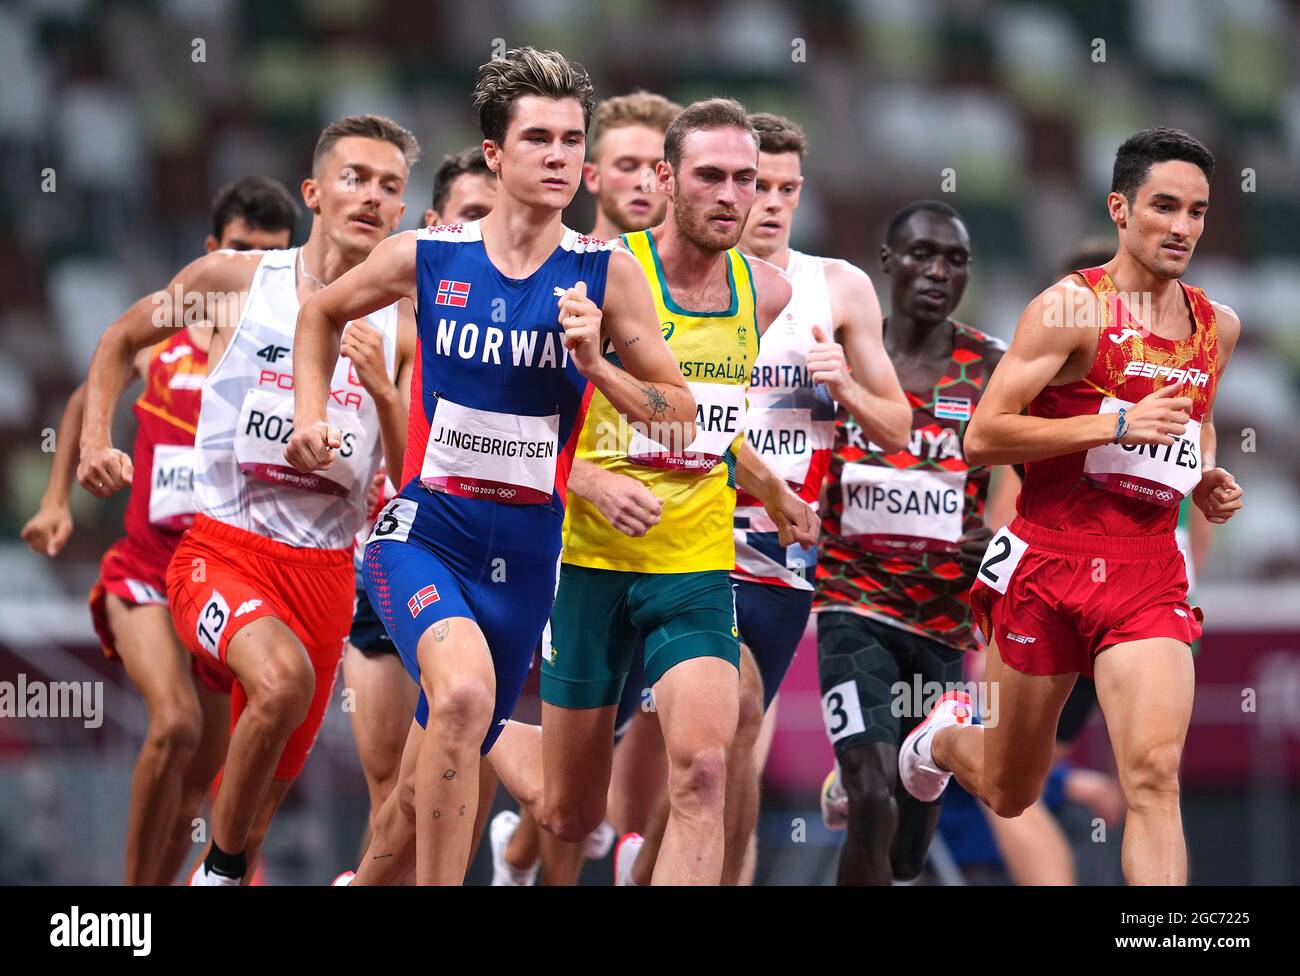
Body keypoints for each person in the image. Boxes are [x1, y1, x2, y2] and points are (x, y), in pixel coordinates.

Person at [295, 47, 694, 886]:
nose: (559, 157)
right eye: (539, 138)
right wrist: (309, 417)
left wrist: (598, 367)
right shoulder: (429, 256)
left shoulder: (604, 275)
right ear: (494, 154)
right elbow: (323, 312)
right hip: (424, 532)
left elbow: (679, 414)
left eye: (571, 140)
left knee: (436, 757)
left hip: (525, 557)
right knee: (467, 699)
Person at [78, 114, 421, 885]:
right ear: (315, 192)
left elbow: (412, 479)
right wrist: (98, 440)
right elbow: (120, 341)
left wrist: (384, 401)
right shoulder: (235, 283)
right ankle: (199, 880)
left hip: (329, 574)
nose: (370, 196)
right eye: (355, 178)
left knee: (253, 809)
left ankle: (218, 872)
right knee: (282, 681)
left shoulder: (406, 323)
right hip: (223, 549)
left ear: (402, 211)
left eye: (389, 186)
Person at [902, 127, 1244, 886]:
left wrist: (1206, 478)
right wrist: (1117, 421)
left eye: (1198, 211)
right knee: (1009, 788)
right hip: (1049, 562)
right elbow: (983, 436)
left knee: (1154, 776)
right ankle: (939, 740)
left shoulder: (1217, 326)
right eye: (1164, 206)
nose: (1183, 226)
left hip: (1149, 571)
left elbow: (1198, 420)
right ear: (1120, 209)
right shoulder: (1069, 310)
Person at [527, 97, 816, 887]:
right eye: (711, 176)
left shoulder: (767, 292)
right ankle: (481, 732)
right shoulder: (595, 274)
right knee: (570, 811)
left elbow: (709, 425)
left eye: (745, 180)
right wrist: (585, 479)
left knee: (703, 773)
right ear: (666, 178)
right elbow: (531, 421)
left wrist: (772, 488)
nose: (731, 196)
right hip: (588, 559)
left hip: (693, 564)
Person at [619, 112, 912, 886]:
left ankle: (648, 869)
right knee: (707, 729)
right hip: (674, 529)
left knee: (732, 739)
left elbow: (896, 428)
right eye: (754, 182)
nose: (768, 202)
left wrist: (843, 381)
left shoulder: (835, 288)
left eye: (781, 186)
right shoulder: (662, 281)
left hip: (781, 553)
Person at [22, 176, 297, 884]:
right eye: (239, 250)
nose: (249, 268)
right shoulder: (166, 341)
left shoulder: (290, 358)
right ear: (212, 251)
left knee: (199, 776)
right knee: (173, 723)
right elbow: (91, 388)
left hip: (220, 582)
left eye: (269, 255)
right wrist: (59, 497)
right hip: (145, 570)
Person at [489, 88, 683, 887]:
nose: (644, 183)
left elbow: (707, 419)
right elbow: (488, 423)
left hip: (662, 540)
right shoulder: (557, 271)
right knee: (555, 753)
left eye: (658, 169)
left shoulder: (706, 282)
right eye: (626, 165)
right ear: (592, 174)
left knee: (593, 761)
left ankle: (516, 857)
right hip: (544, 535)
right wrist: (587, 480)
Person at [811, 200, 1017, 885]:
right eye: (922, 255)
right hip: (852, 605)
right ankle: (856, 783)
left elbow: (1035, 490)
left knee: (904, 854)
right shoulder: (838, 354)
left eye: (955, 260)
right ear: (886, 263)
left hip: (943, 624)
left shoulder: (992, 367)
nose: (937, 271)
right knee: (874, 801)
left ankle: (873, 777)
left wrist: (998, 547)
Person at [346, 145, 501, 868]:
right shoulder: (378, 320)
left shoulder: (505, 332)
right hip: (384, 561)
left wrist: (384, 392)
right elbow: (402, 464)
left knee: (457, 761)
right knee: (391, 786)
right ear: (435, 225)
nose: (489, 230)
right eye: (473, 215)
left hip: (472, 559)